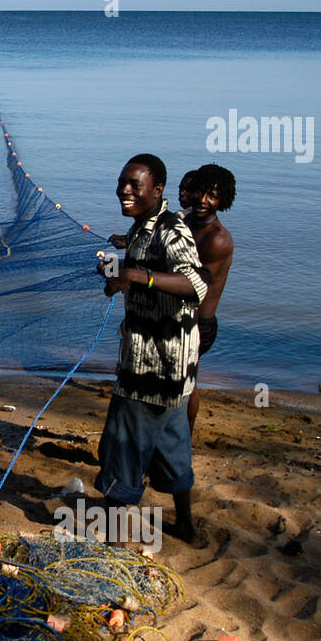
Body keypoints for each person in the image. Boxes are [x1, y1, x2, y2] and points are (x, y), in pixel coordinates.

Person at [94, 154, 212, 548]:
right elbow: (143, 272)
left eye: (135, 185)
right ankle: (187, 530)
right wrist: (117, 273)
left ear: (157, 190)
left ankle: (112, 545)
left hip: (148, 371)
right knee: (173, 449)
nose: (125, 191)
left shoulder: (171, 230)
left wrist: (137, 276)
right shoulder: (144, 228)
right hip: (175, 375)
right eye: (122, 182)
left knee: (122, 451)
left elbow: (196, 285)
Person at [182, 164, 235, 432]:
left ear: (223, 200)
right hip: (178, 314)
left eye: (212, 195)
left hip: (198, 323)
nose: (204, 200)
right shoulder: (186, 221)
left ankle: (186, 437)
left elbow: (194, 286)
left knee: (187, 381)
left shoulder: (218, 240)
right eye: (200, 192)